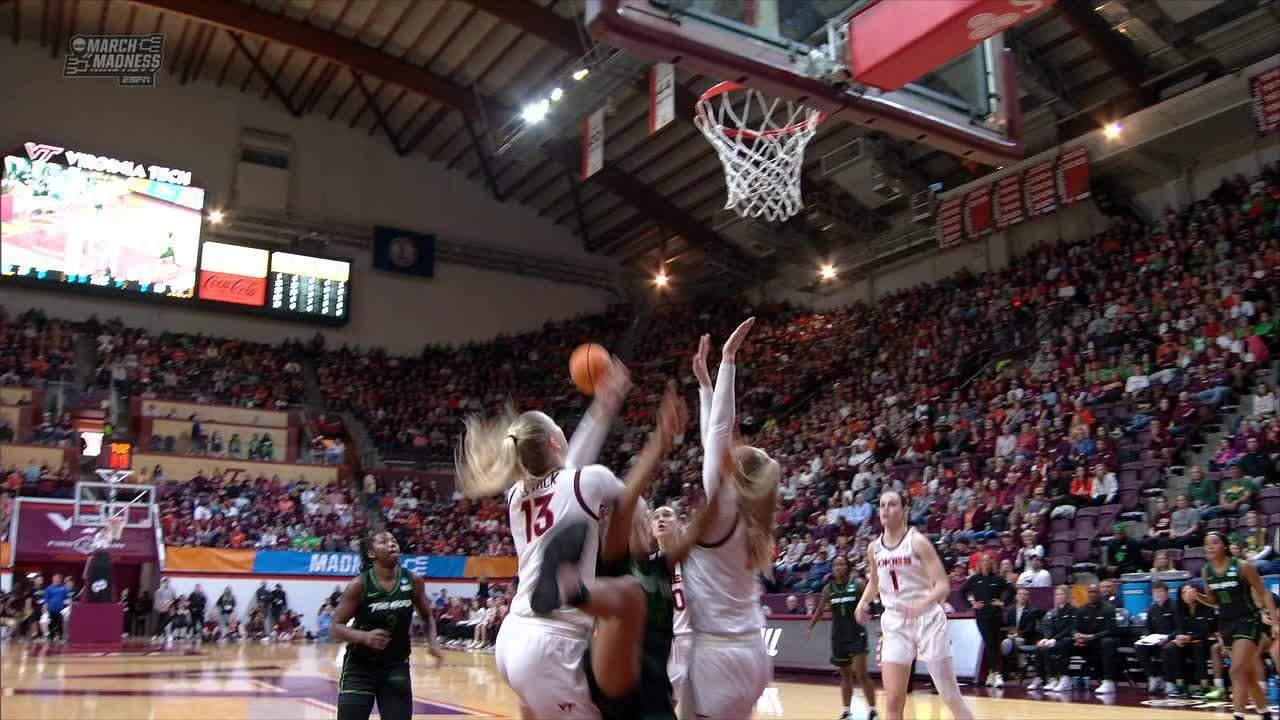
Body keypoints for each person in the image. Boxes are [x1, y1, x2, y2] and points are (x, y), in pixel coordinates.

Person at [455, 353, 633, 719]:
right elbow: (629, 499)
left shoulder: (516, 494)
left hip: (514, 635)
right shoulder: (588, 480)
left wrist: (604, 406)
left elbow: (566, 474)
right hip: (553, 641)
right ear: (555, 442)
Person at [681, 320, 779, 719]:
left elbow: (718, 433)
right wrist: (705, 387)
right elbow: (712, 442)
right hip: (751, 652)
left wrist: (728, 362)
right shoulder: (752, 520)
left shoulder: (722, 512)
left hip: (716, 654)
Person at [855, 489, 973, 720]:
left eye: (892, 504)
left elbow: (942, 585)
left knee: (949, 695)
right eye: (882, 505)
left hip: (927, 619)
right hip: (895, 622)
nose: (886, 509)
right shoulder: (874, 548)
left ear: (904, 510)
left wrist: (922, 604)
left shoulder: (917, 541)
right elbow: (875, 581)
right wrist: (863, 602)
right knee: (893, 701)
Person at [331, 529, 441, 720]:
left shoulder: (413, 580)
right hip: (359, 668)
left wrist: (433, 643)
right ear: (371, 554)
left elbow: (427, 616)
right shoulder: (359, 585)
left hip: (395, 666)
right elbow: (335, 627)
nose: (392, 544)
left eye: (393, 540)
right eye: (383, 541)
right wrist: (364, 637)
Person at [1193, 530, 1277, 720]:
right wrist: (1198, 596)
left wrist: (1276, 622)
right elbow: (1214, 601)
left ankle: (1238, 715)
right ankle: (1265, 713)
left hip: (1248, 620)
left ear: (1224, 546)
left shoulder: (1242, 566)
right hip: (1226, 624)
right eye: (1206, 544)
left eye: (1214, 543)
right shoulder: (1206, 571)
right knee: (1245, 674)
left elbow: (1264, 594)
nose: (1209, 547)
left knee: (1236, 669)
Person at [806, 555, 878, 720]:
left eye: (841, 564)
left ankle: (873, 710)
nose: (838, 567)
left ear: (848, 567)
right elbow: (819, 610)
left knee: (861, 674)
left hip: (857, 635)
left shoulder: (858, 584)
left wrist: (875, 621)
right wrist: (810, 627)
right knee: (845, 676)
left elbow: (872, 603)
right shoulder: (827, 589)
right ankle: (847, 711)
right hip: (838, 637)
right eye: (835, 565)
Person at [961, 553, 1013, 687]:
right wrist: (971, 604)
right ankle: (994, 673)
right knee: (989, 642)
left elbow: (1012, 590)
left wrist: (1002, 602)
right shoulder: (974, 579)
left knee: (995, 643)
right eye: (983, 561)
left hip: (995, 615)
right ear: (979, 563)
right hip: (981, 616)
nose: (986, 563)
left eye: (988, 560)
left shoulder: (997, 578)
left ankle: (995, 673)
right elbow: (962, 592)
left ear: (992, 563)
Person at [1135, 580, 1183, 696]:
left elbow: (1179, 628)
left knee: (1167, 648)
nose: (1157, 594)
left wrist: (1167, 638)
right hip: (1155, 640)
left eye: (1160, 591)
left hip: (1172, 639)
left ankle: (1169, 681)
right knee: (1139, 646)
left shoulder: (1174, 605)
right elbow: (1148, 628)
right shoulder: (1152, 609)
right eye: (1155, 592)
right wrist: (1145, 636)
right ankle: (1152, 677)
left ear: (1167, 593)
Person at [1072, 583, 1119, 694]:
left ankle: (1108, 681)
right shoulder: (1081, 610)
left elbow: (1111, 630)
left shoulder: (1109, 608)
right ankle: (1062, 677)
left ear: (1100, 594)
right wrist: (1076, 636)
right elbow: (1073, 628)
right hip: (1085, 643)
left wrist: (1092, 637)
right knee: (1064, 643)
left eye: (1095, 592)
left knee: (1107, 642)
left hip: (1100, 641)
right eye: (1090, 592)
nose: (1092, 594)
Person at [1029, 585, 1075, 692]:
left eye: (1061, 594)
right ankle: (1043, 677)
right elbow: (1049, 627)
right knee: (1039, 648)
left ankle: (1064, 678)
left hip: (1067, 640)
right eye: (1057, 594)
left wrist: (1055, 639)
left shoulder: (1073, 610)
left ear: (1067, 595)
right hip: (1054, 639)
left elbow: (1070, 629)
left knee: (1058, 645)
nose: (1059, 596)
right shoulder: (1053, 612)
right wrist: (1046, 638)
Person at [1175, 583, 1215, 698]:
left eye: (1189, 592)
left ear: (1196, 593)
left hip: (1206, 638)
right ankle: (1180, 686)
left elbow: (1206, 630)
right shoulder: (1179, 607)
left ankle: (1204, 687)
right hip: (1188, 639)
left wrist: (1190, 638)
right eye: (1183, 593)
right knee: (1173, 647)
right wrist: (1179, 637)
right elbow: (1180, 627)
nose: (1186, 595)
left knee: (1198, 647)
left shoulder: (1205, 605)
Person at [1003, 587, 1042, 680]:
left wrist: (1017, 634)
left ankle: (1021, 666)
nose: (1022, 596)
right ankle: (1007, 670)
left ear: (1028, 597)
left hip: (1027, 637)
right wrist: (1010, 634)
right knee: (1005, 642)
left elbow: (1030, 628)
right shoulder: (1010, 609)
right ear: (1016, 596)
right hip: (1013, 636)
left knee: (1016, 641)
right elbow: (1009, 625)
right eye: (1020, 594)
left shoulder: (1032, 610)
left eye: (1025, 594)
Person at [43, 573, 68, 642]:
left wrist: (67, 604)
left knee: (60, 623)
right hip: (51, 609)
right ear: (53, 579)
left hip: (60, 609)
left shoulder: (63, 588)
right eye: (55, 578)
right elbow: (46, 599)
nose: (57, 579)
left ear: (60, 579)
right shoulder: (49, 588)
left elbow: (66, 598)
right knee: (51, 623)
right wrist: (45, 608)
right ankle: (51, 636)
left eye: (58, 578)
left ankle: (60, 636)